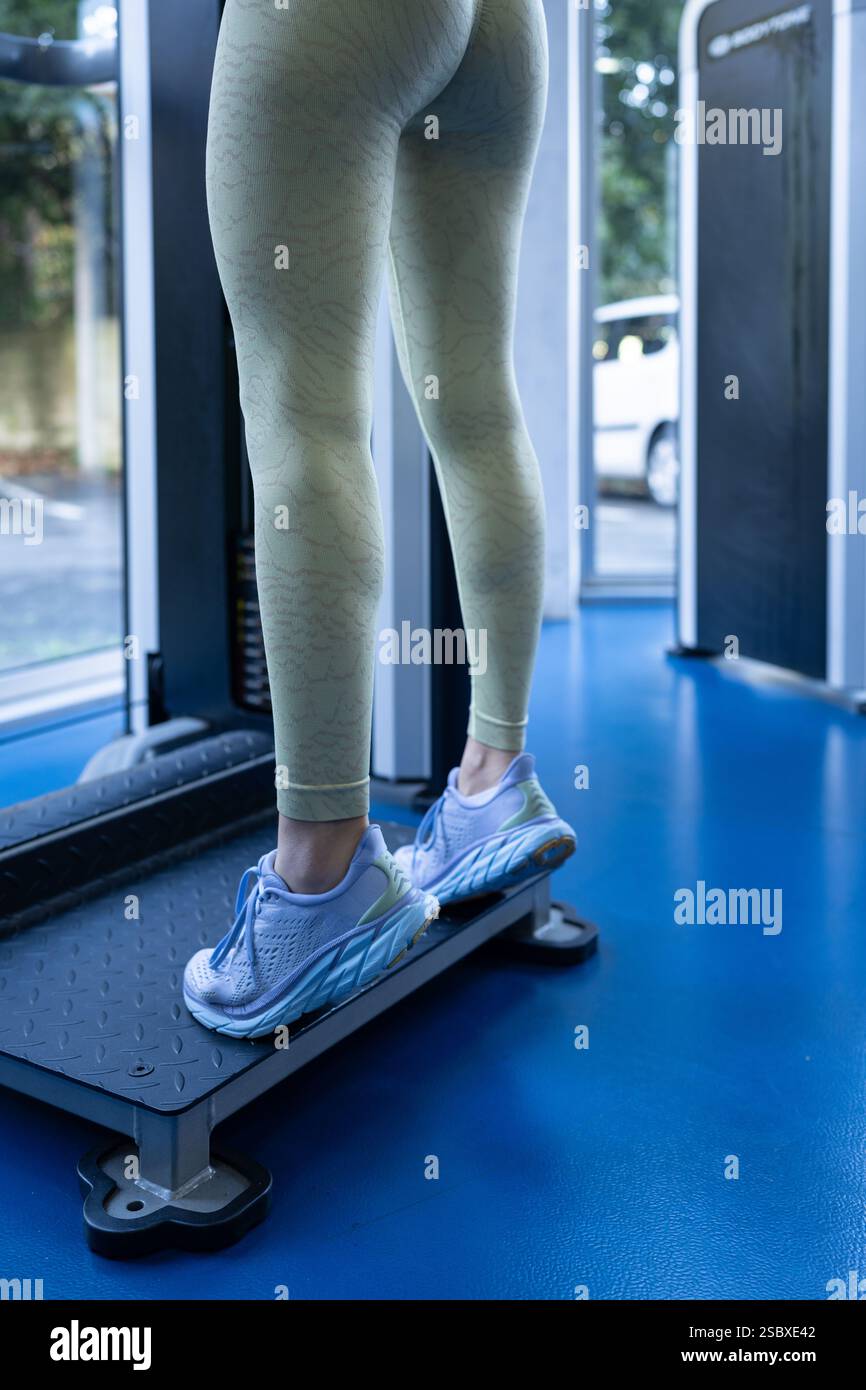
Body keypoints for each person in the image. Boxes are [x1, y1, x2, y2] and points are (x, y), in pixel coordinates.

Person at [183, 0, 575, 1038]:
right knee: (477, 399)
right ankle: (495, 775)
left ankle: (318, 875)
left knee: (301, 409)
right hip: (500, 28)